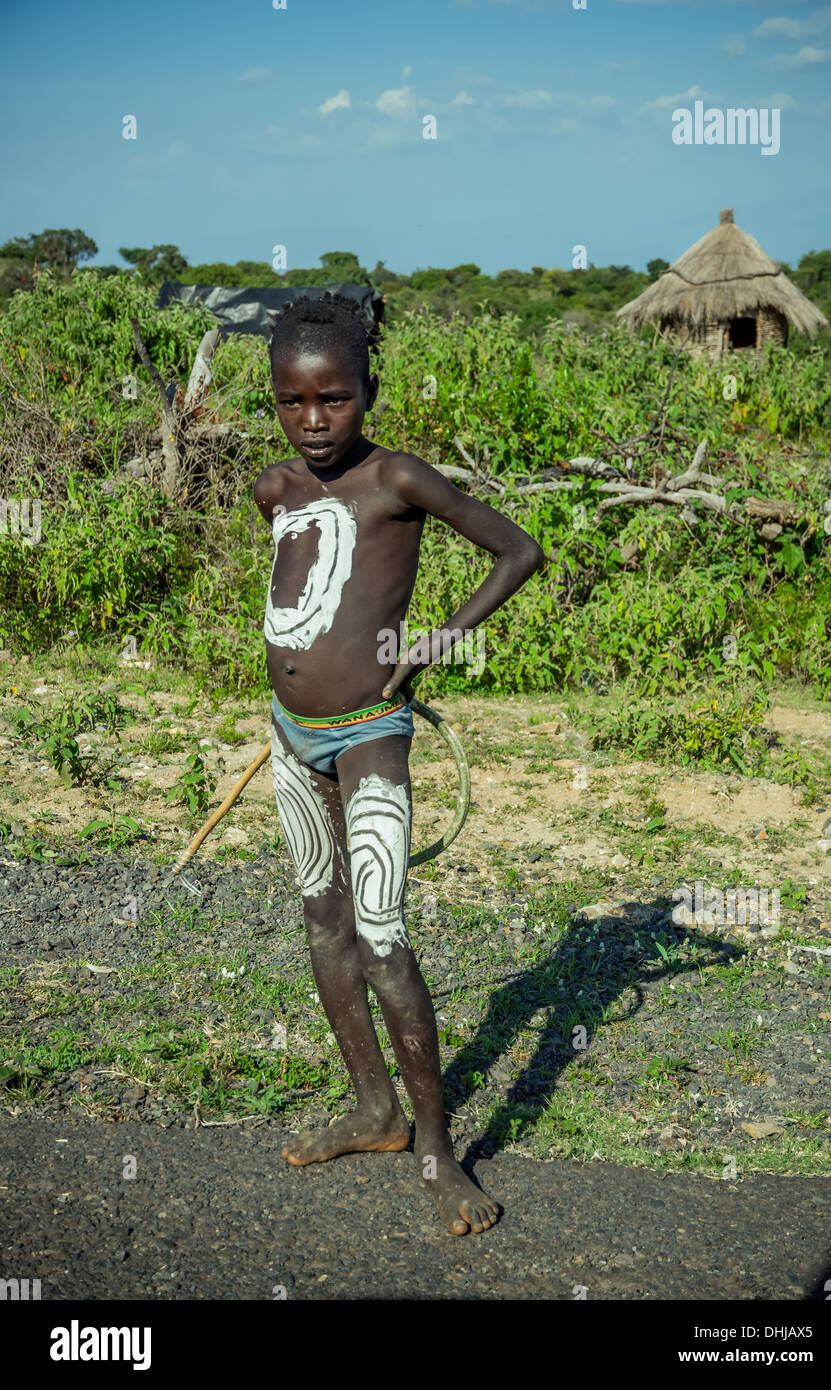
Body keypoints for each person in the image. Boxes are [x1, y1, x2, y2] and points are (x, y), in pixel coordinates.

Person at [253, 292, 546, 1235]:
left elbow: (516, 549)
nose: (313, 421)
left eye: (333, 399)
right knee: (322, 924)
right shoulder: (276, 491)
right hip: (289, 739)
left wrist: (431, 646)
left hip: (371, 733)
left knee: (381, 940)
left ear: (367, 390)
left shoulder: (398, 480)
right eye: (293, 403)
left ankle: (435, 1150)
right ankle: (372, 1110)